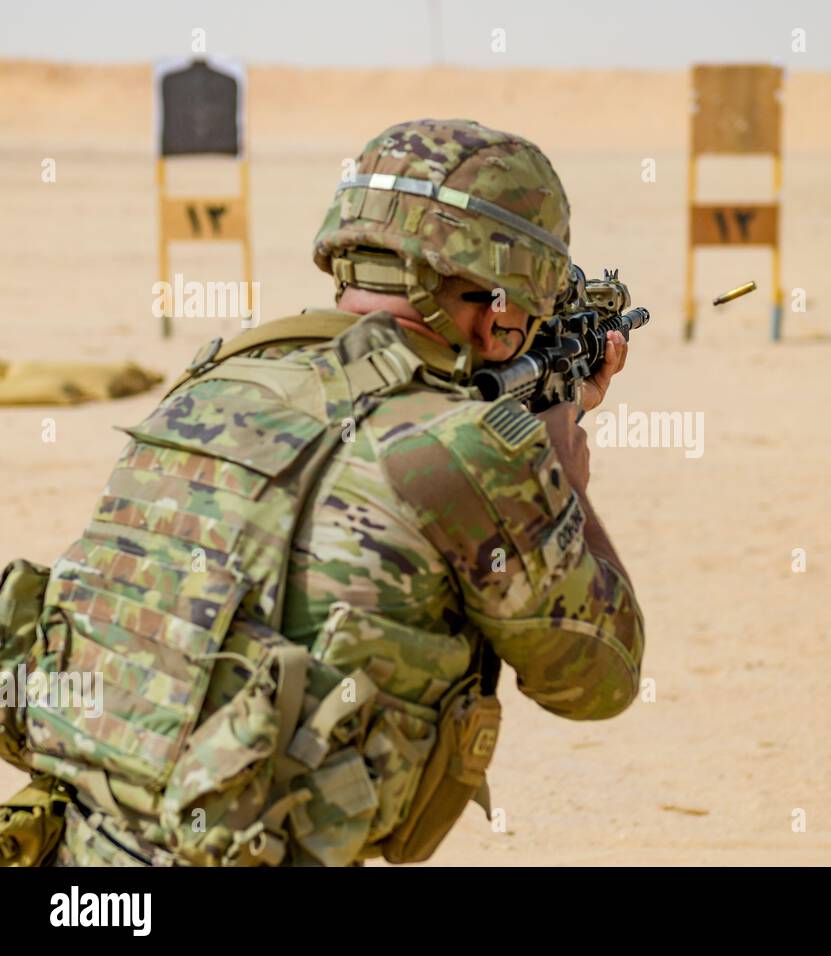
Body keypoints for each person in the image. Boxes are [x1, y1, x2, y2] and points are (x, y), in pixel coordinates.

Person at [0, 118, 645, 867]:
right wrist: (564, 482)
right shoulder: (464, 447)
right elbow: (598, 680)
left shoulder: (215, 378)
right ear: (501, 309)